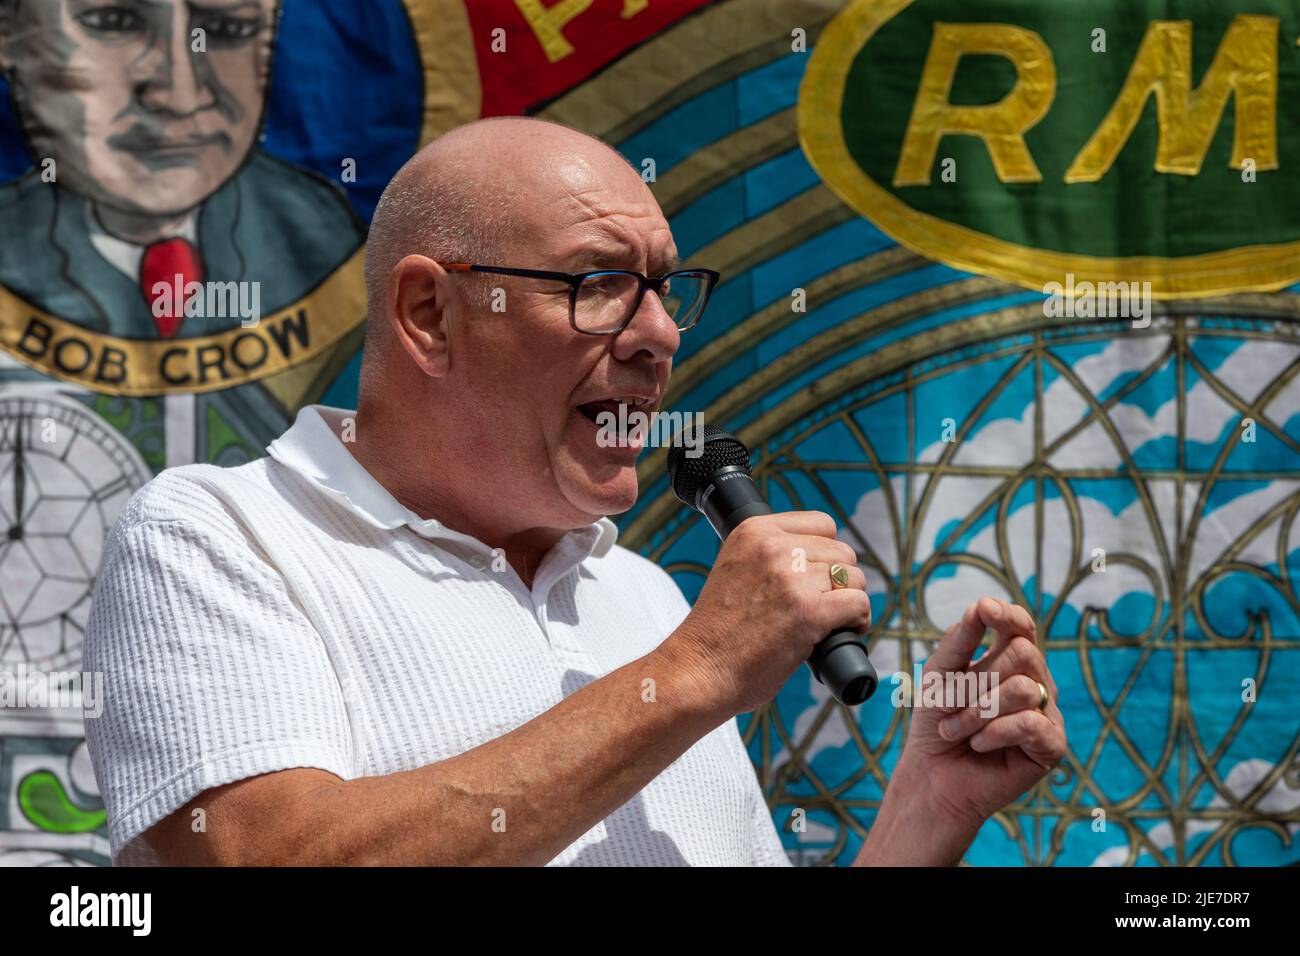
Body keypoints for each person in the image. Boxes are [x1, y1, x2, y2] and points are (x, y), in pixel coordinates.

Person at [82, 116, 1066, 866]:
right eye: (598, 282)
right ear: (430, 312)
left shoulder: (641, 593)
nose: (660, 334)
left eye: (665, 287)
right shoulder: (221, 535)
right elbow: (262, 854)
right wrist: (691, 672)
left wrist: (921, 814)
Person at [0, 0, 360, 339]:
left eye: (227, 28)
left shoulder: (321, 233)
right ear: (9, 32)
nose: (180, 97)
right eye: (114, 23)